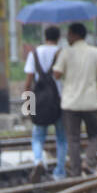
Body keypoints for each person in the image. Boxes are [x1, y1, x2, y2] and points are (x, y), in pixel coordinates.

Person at [52, 22, 97, 177]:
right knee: (96, 135)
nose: (67, 37)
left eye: (69, 34)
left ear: (76, 35)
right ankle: (88, 161)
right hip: (91, 103)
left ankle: (76, 173)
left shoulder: (65, 53)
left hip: (70, 104)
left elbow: (56, 75)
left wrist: (58, 59)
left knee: (73, 139)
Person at [23, 25, 67, 181]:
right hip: (59, 102)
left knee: (37, 137)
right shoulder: (62, 52)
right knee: (62, 138)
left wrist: (27, 106)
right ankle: (60, 172)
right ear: (59, 37)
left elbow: (28, 83)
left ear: (45, 36)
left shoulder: (33, 54)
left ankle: (38, 160)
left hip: (39, 101)